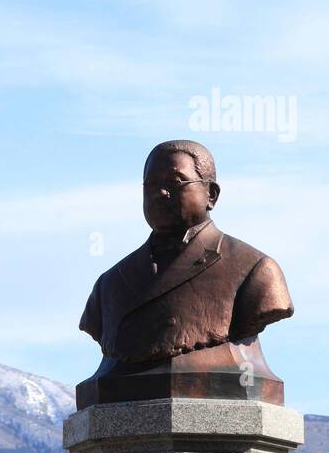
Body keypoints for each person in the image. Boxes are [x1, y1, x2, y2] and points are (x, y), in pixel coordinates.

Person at [78, 138, 293, 364]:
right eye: (151, 184)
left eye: (176, 181)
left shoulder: (256, 271)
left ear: (211, 194)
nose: (160, 193)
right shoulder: (109, 285)